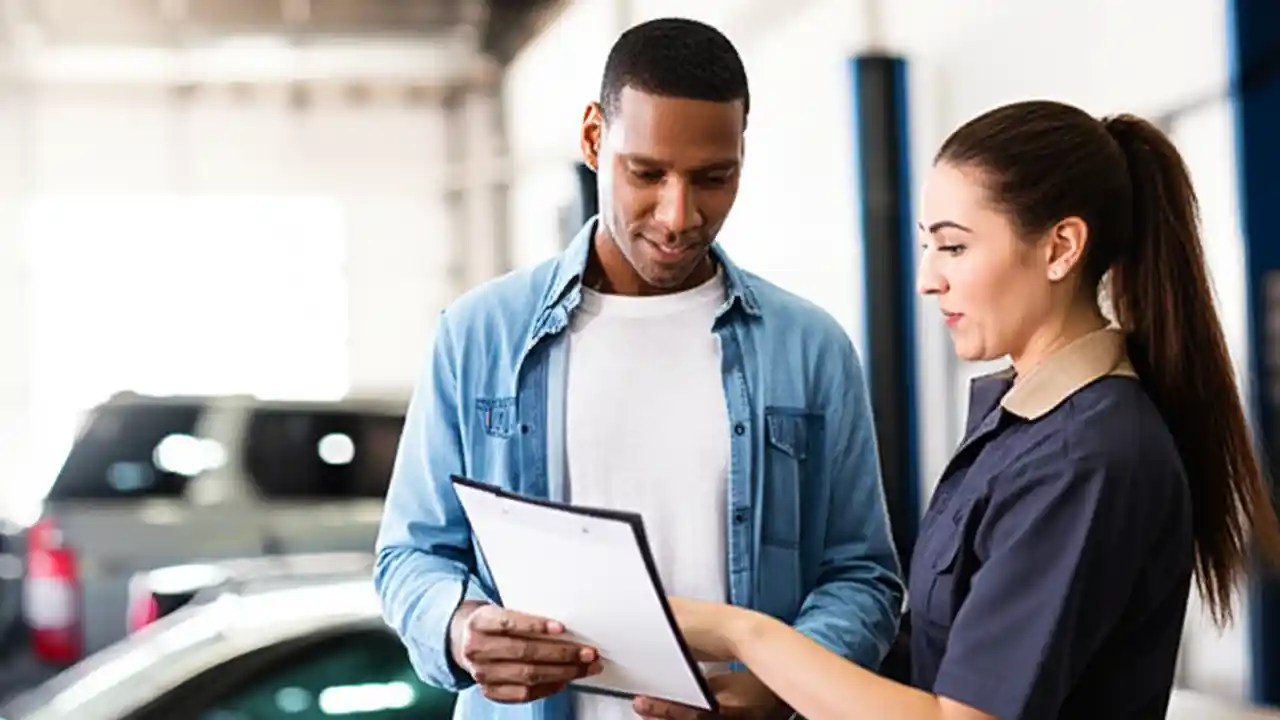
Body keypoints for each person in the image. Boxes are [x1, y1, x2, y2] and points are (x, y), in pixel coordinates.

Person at [648, 99, 1280, 720]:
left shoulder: (1088, 456)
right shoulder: (1023, 427)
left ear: (1061, 248)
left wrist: (744, 635)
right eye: (927, 246)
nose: (928, 279)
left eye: (953, 247)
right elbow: (938, 649)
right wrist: (777, 693)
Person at [374, 17, 904, 720]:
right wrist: (460, 626)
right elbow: (410, 557)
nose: (678, 215)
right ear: (595, 139)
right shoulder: (479, 335)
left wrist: (777, 688)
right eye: (647, 173)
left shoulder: (810, 349)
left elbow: (863, 576)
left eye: (713, 178)